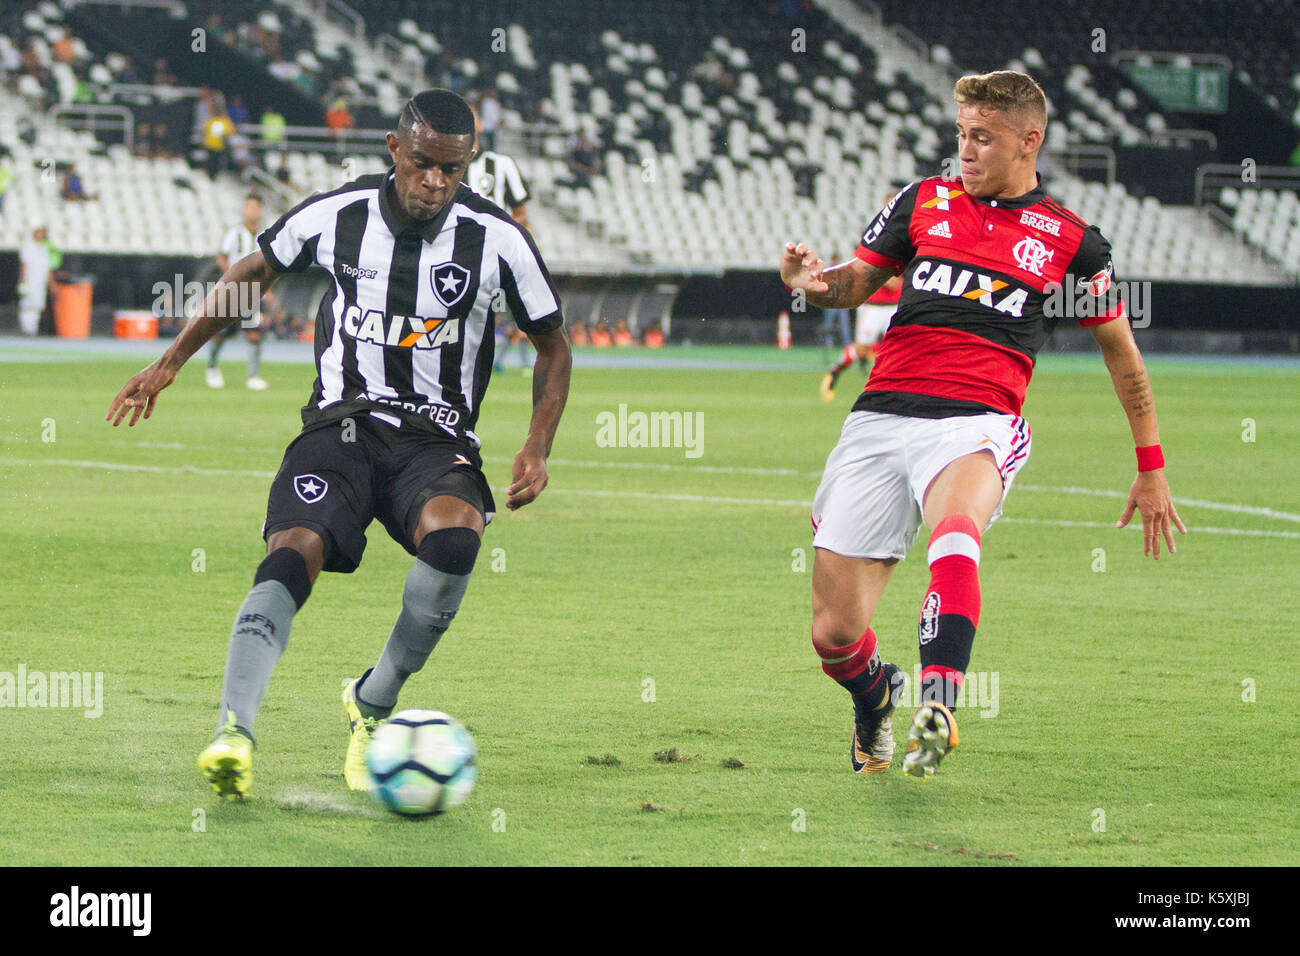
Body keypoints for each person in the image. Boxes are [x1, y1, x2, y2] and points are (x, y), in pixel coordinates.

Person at [107, 89, 571, 800]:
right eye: (422, 164)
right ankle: (234, 730)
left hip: (436, 437)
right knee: (294, 549)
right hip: (340, 427)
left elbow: (553, 345)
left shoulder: (498, 239)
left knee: (455, 542)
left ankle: (373, 702)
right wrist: (171, 360)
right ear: (394, 149)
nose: (435, 182)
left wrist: (538, 444)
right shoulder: (338, 214)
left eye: (452, 170)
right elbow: (253, 273)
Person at [781, 70, 1185, 781]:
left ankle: (937, 706)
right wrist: (808, 283)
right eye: (961, 135)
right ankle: (878, 694)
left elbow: (1122, 354)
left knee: (956, 529)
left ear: (1029, 141)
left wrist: (1150, 465)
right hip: (879, 417)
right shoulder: (922, 202)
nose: (964, 151)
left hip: (977, 420)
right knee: (833, 633)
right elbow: (851, 285)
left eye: (982, 138)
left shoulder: (1070, 241)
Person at [206, 193, 270, 390]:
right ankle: (212, 367)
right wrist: (231, 276)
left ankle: (252, 376)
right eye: (249, 206)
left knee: (254, 334)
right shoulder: (235, 232)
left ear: (260, 211)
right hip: (233, 290)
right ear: (244, 209)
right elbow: (222, 258)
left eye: (255, 207)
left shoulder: (264, 235)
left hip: (254, 290)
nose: (252, 211)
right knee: (221, 332)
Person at [18, 227, 54, 336]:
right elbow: (24, 264)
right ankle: (26, 328)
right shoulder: (28, 247)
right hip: (29, 281)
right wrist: (23, 279)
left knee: (37, 305)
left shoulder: (44, 249)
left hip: (40, 282)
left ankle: (33, 328)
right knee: (27, 304)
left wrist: (51, 283)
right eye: (38, 233)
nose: (40, 235)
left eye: (42, 233)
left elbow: (47, 268)